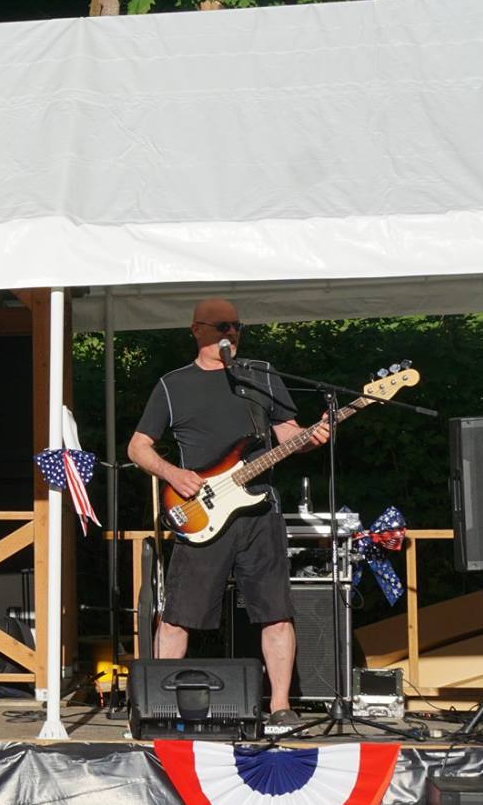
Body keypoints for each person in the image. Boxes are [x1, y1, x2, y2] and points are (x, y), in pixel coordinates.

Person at [127, 298, 331, 734]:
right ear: (196, 330)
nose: (230, 333)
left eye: (236, 326)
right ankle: (162, 704)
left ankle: (280, 707)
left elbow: (288, 434)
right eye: (221, 326)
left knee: (276, 612)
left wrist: (313, 437)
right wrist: (173, 474)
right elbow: (138, 446)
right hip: (200, 513)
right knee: (178, 614)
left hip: (259, 512)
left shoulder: (260, 375)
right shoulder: (172, 385)